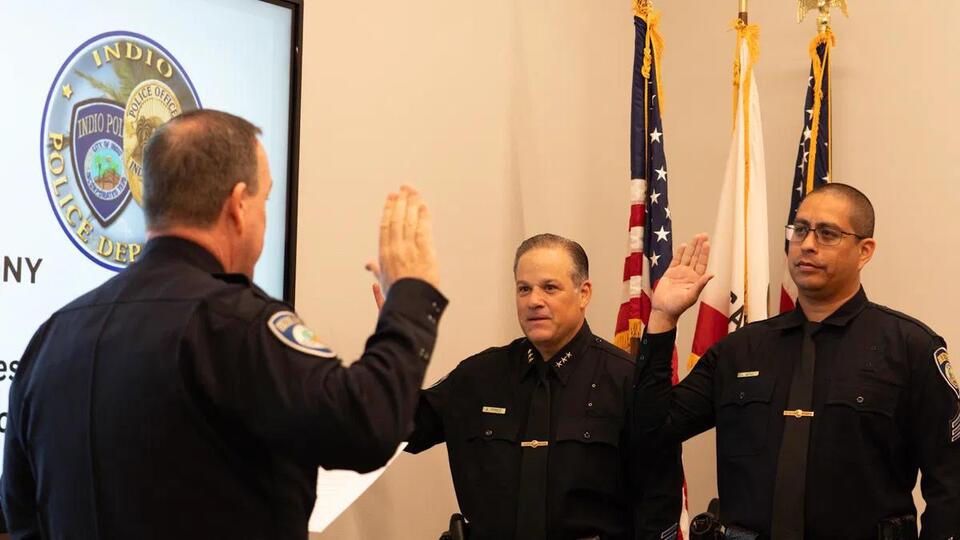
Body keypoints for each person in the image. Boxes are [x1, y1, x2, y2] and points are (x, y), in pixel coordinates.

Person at [1, 109, 448, 538]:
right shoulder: (236, 325)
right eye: (265, 200)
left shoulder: (52, 337)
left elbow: (22, 514)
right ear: (237, 205)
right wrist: (411, 297)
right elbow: (367, 425)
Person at [636, 183, 960, 539]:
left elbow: (950, 483)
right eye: (800, 229)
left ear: (864, 251)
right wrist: (663, 318)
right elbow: (651, 432)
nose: (807, 244)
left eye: (827, 233)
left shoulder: (909, 347)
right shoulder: (741, 349)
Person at [378, 233, 682, 540]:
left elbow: (659, 499)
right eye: (524, 289)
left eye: (550, 287)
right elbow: (401, 430)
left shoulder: (625, 380)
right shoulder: (478, 376)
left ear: (584, 293)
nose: (534, 301)